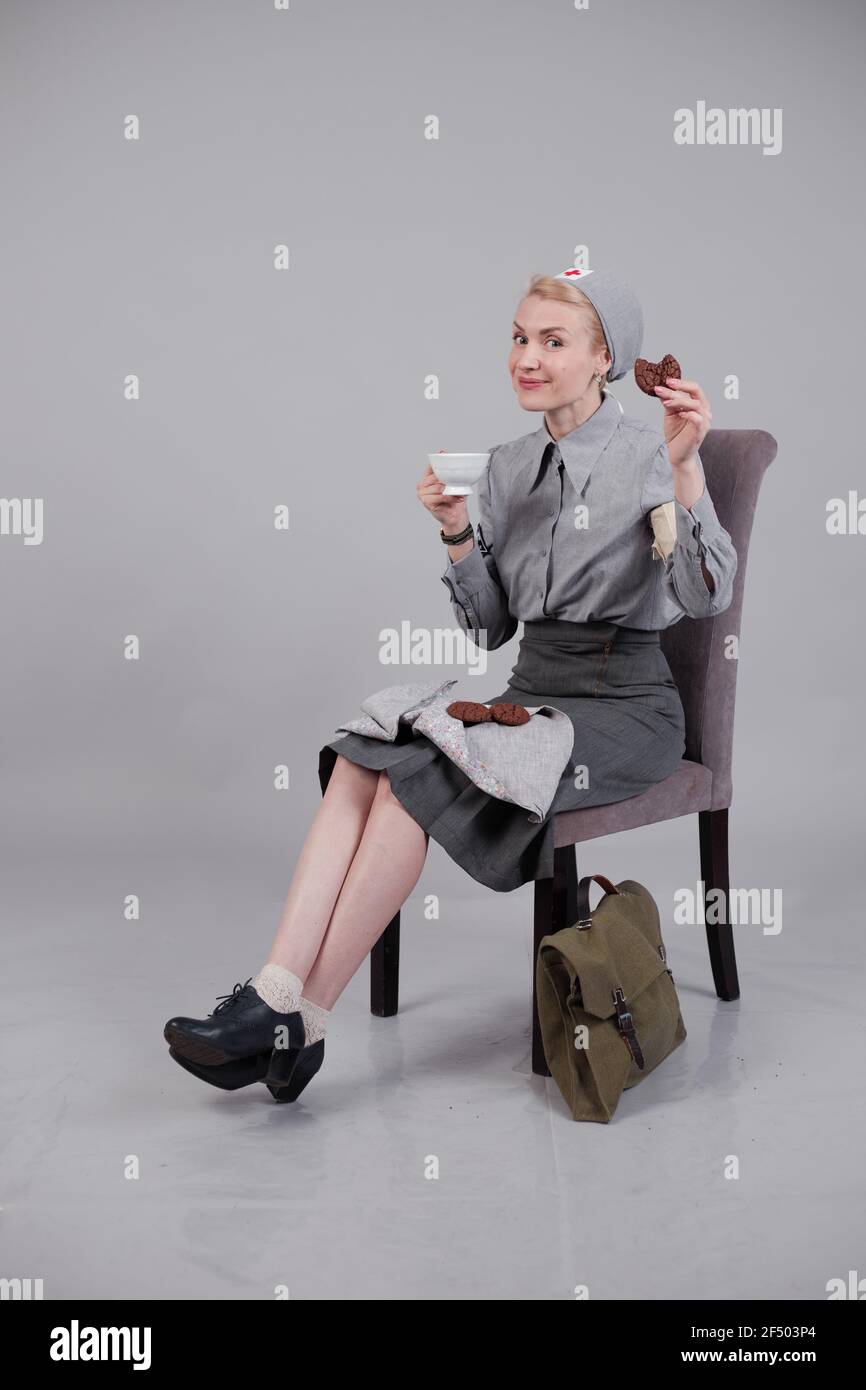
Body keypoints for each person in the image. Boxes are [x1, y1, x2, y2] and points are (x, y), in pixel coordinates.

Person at [163, 265, 737, 1105]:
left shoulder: (657, 454)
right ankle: (279, 1000)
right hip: (533, 687)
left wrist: (687, 476)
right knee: (368, 754)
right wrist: (460, 535)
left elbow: (705, 595)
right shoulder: (505, 466)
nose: (526, 358)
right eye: (518, 337)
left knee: (410, 784)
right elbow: (492, 629)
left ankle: (298, 1020)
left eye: (552, 341)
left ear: (606, 355)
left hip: (623, 707)